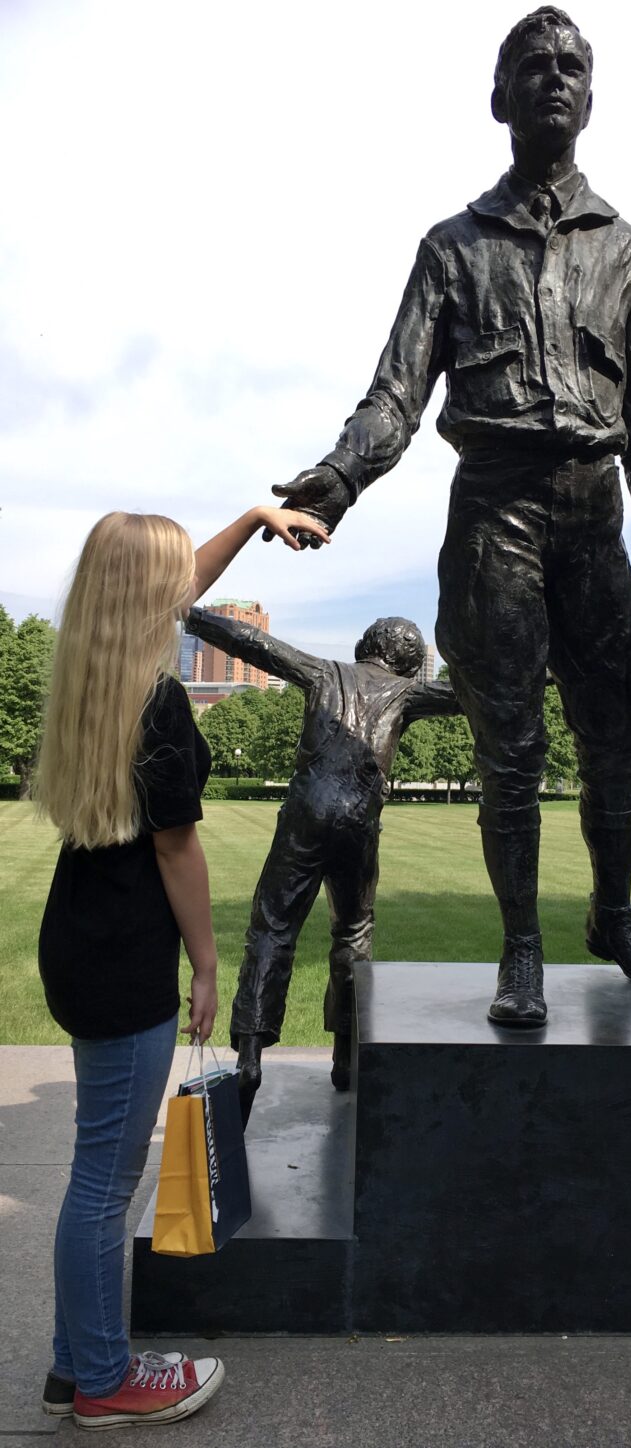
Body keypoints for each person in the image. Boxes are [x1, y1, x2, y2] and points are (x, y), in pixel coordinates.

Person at [269, 7, 631, 1027]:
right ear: (499, 98)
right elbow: (394, 397)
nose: (555, 78)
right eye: (534, 66)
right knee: (510, 749)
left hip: (595, 516)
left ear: (590, 99)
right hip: (494, 515)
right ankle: (522, 952)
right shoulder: (451, 248)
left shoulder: (628, 251)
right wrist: (339, 476)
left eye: (572, 67)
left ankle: (613, 916)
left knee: (615, 738)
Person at [34, 503, 328, 1429]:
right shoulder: (156, 699)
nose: (185, 590)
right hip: (125, 957)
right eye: (170, 579)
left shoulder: (90, 671)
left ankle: (73, 1363)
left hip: (79, 937)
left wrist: (252, 517)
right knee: (103, 1186)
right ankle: (104, 1382)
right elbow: (176, 850)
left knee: (94, 1168)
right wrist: (206, 965)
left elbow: (183, 579)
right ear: (146, 596)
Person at [184, 606, 461, 1117]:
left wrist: (193, 617)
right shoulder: (408, 693)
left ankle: (250, 1056)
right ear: (407, 661)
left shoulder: (325, 672)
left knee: (271, 930)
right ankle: (345, 1056)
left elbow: (255, 644)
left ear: (367, 644)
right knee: (353, 934)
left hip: (305, 815)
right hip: (359, 822)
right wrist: (552, 671)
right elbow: (480, 692)